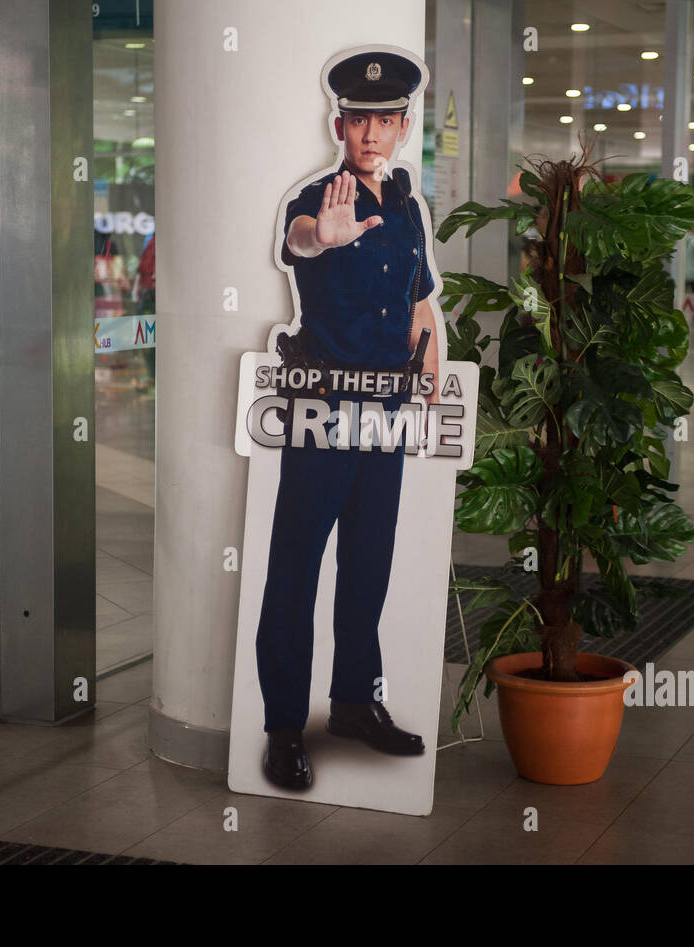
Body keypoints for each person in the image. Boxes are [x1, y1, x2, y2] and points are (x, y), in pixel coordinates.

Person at [256, 49, 440, 791]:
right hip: (326, 408)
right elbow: (296, 239)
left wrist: (430, 371)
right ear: (340, 124)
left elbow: (421, 298)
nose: (371, 132)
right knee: (296, 565)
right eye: (359, 119)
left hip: (388, 411)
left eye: (385, 120)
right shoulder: (318, 195)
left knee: (369, 560)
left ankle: (356, 702)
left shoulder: (407, 206)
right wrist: (320, 238)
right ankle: (282, 727)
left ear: (402, 128)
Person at [131, 232, 156, 384]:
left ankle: (153, 376)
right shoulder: (152, 241)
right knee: (146, 338)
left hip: (154, 296)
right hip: (150, 295)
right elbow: (142, 271)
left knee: (149, 339)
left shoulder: (155, 241)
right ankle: (153, 375)